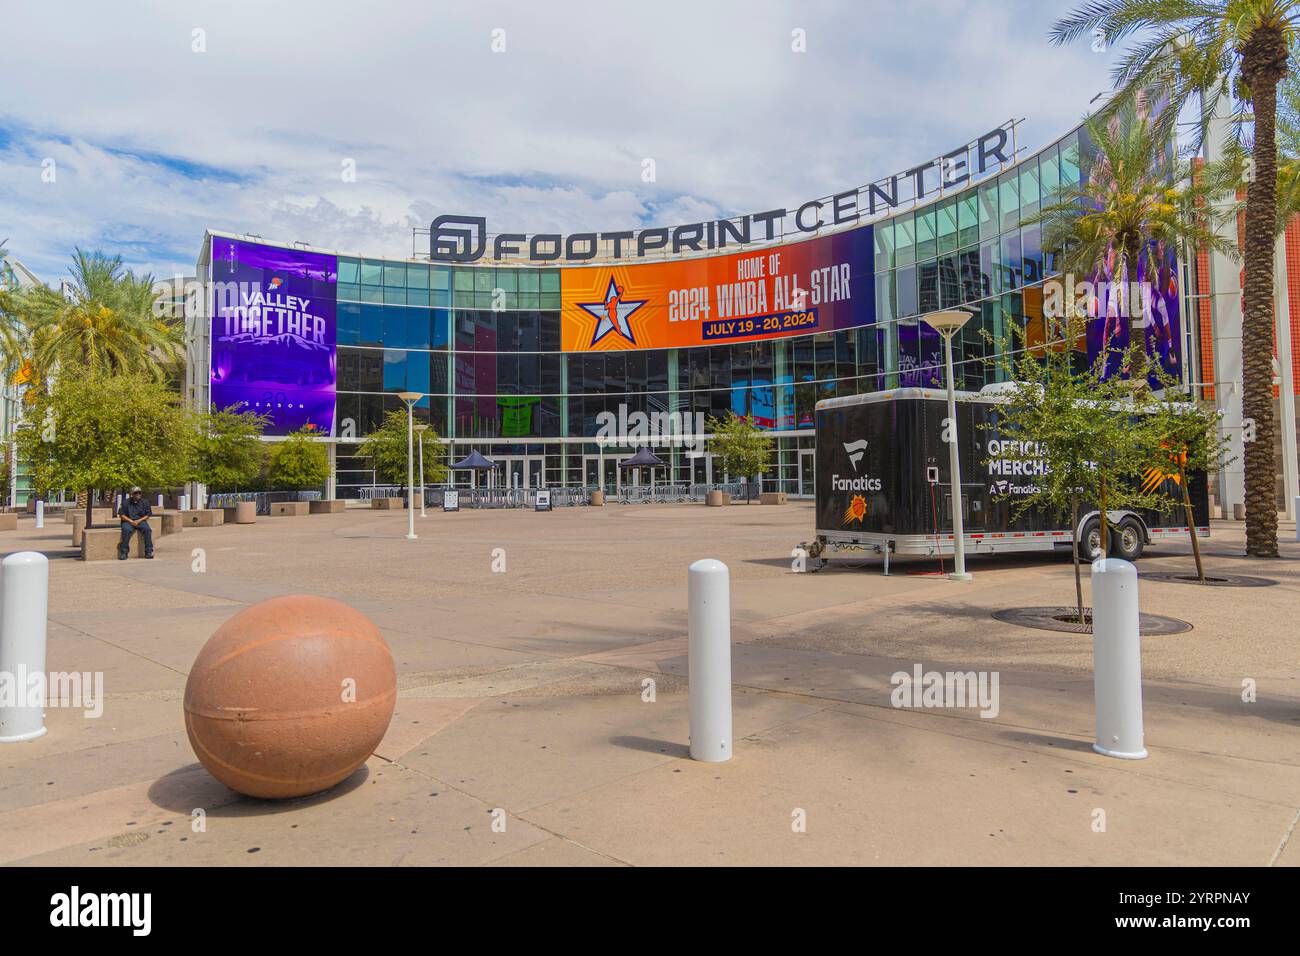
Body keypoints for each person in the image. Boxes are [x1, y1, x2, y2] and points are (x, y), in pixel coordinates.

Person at [119, 486, 154, 560]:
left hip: (140, 521)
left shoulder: (145, 502)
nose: (138, 494)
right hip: (128, 521)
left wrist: (139, 521)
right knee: (126, 530)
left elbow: (148, 514)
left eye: (139, 493)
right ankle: (124, 552)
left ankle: (148, 552)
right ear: (132, 494)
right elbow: (122, 515)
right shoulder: (125, 503)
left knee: (147, 530)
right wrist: (131, 521)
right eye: (135, 493)